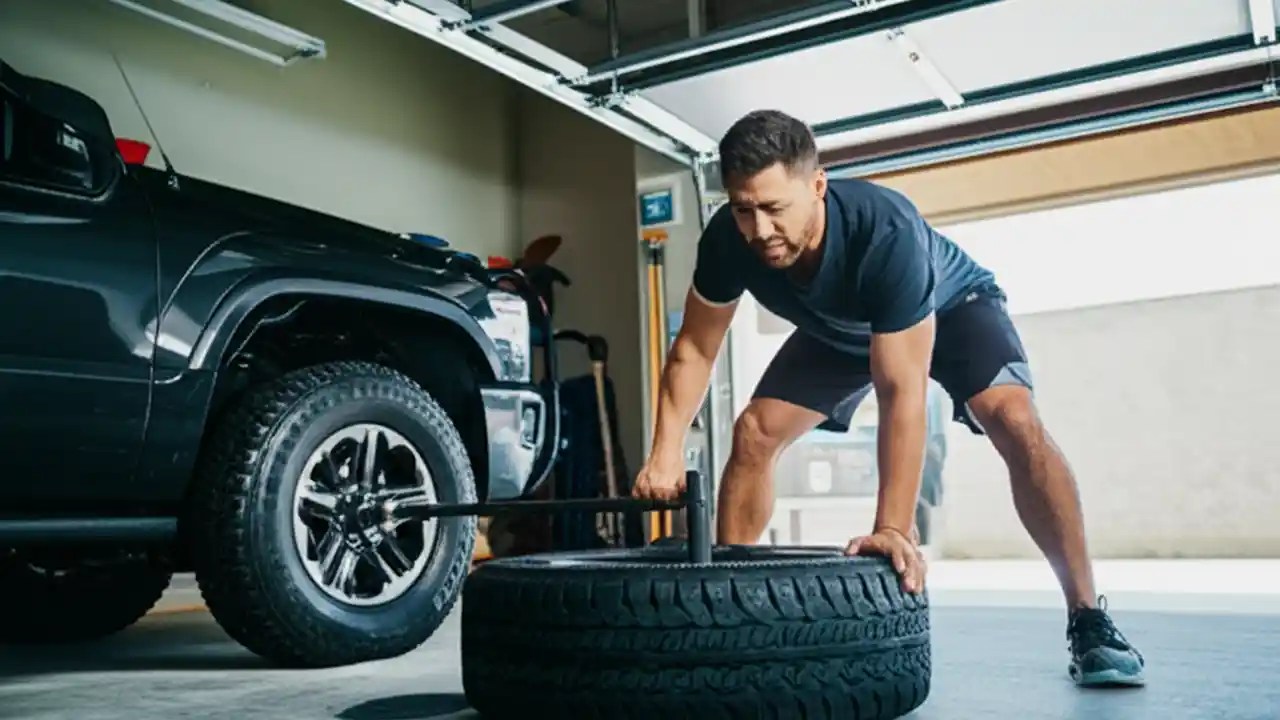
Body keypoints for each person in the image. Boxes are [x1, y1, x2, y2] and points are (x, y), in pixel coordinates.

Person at [631, 109, 1145, 687]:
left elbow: (901, 389)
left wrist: (893, 527)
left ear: (817, 185)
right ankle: (722, 614)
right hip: (843, 331)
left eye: (775, 208)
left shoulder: (885, 230)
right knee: (754, 431)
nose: (761, 229)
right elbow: (695, 349)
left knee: (1013, 418)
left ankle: (1088, 616)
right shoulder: (729, 239)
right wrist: (666, 449)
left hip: (953, 310)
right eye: (745, 209)